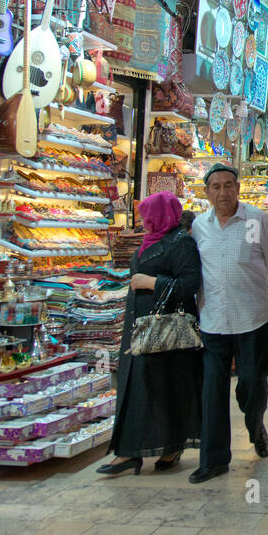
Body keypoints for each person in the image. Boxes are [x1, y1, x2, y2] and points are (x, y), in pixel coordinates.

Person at [189, 163, 268, 484]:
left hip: (252, 321)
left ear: (238, 188)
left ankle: (255, 426)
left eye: (229, 185)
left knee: (251, 386)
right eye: (216, 187)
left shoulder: (257, 220)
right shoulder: (199, 226)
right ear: (207, 193)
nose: (223, 192)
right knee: (212, 392)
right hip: (213, 322)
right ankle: (214, 460)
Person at [98, 193, 203, 476]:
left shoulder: (181, 243)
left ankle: (170, 446)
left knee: (165, 388)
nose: (145, 222)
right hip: (139, 327)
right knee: (135, 385)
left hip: (165, 332)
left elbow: (190, 282)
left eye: (149, 216)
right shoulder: (148, 242)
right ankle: (129, 451)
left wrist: (151, 282)